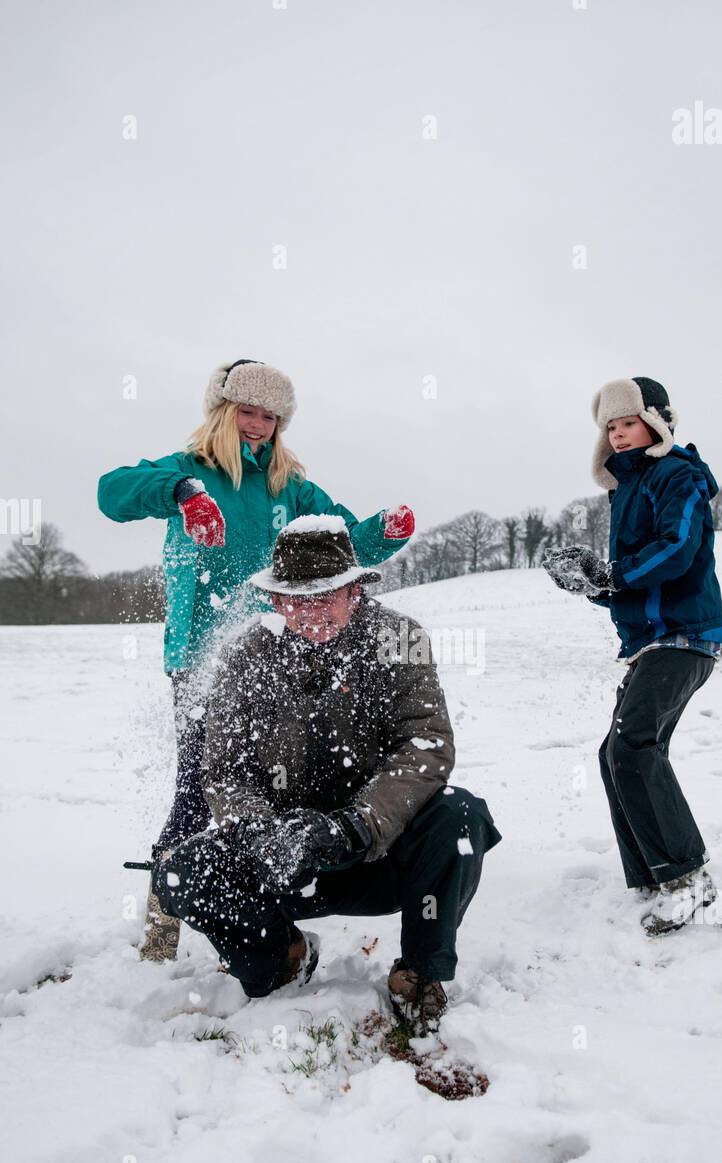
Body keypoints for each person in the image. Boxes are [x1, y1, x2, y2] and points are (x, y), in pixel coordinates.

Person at [97, 358, 415, 961]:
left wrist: (384, 531)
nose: (260, 425)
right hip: (201, 660)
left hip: (275, 656)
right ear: (223, 410)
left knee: (275, 779)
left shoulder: (289, 487)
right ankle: (163, 921)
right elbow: (110, 493)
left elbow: (341, 541)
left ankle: (278, 899)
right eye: (249, 411)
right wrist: (181, 494)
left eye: (271, 416)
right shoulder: (189, 470)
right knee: (199, 786)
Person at [152, 516, 501, 1032]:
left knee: (461, 815)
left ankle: (419, 973)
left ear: (354, 589)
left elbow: (426, 743)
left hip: (379, 851)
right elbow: (224, 772)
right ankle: (282, 955)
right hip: (286, 864)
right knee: (181, 872)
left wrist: (357, 824)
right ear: (274, 599)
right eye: (296, 598)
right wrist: (262, 834)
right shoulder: (246, 655)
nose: (311, 610)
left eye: (327, 594)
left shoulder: (398, 637)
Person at [543, 377, 722, 935]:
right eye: (611, 427)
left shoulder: (679, 476)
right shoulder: (624, 492)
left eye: (628, 422)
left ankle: (688, 877)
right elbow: (633, 585)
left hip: (687, 635)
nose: (619, 434)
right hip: (650, 643)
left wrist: (612, 574)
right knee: (615, 754)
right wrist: (592, 586)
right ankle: (652, 872)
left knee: (634, 744)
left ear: (658, 422)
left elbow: (677, 549)